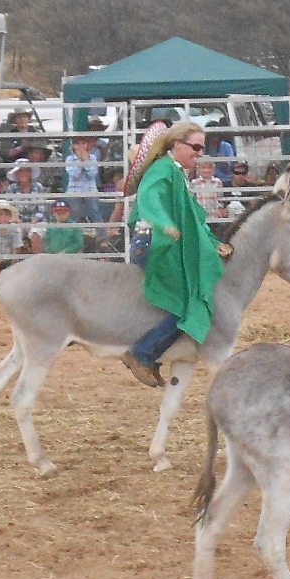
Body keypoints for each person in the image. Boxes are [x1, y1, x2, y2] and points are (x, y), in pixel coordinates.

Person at [121, 120, 233, 387]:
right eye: (195, 147)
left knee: (188, 295)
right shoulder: (163, 169)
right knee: (187, 299)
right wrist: (164, 223)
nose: (199, 153)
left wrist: (212, 241)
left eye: (201, 148)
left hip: (160, 241)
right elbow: (150, 199)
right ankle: (142, 352)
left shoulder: (175, 172)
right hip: (154, 242)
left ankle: (153, 354)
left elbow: (193, 217)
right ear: (176, 144)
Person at [5, 159, 47, 253]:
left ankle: (38, 260)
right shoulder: (11, 188)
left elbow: (42, 209)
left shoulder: (38, 187)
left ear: (30, 173)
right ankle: (14, 260)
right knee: (13, 230)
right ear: (16, 174)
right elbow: (9, 208)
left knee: (36, 232)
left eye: (27, 170)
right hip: (17, 221)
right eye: (21, 171)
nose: (24, 173)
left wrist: (33, 222)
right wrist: (17, 220)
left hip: (37, 221)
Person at [64, 134, 101, 226]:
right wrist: (81, 161)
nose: (81, 146)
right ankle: (74, 233)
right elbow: (74, 174)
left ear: (87, 145)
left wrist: (86, 161)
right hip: (74, 192)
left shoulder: (93, 158)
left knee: (96, 213)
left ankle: (101, 234)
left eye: (83, 143)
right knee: (73, 215)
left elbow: (92, 174)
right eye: (78, 143)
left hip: (91, 191)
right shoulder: (69, 159)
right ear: (73, 146)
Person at [190, 155, 227, 221]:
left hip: (214, 215)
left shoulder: (218, 182)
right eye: (203, 168)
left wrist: (219, 209)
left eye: (209, 168)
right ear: (198, 169)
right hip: (200, 215)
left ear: (213, 169)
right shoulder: (194, 182)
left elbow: (220, 198)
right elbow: (192, 199)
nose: (206, 170)